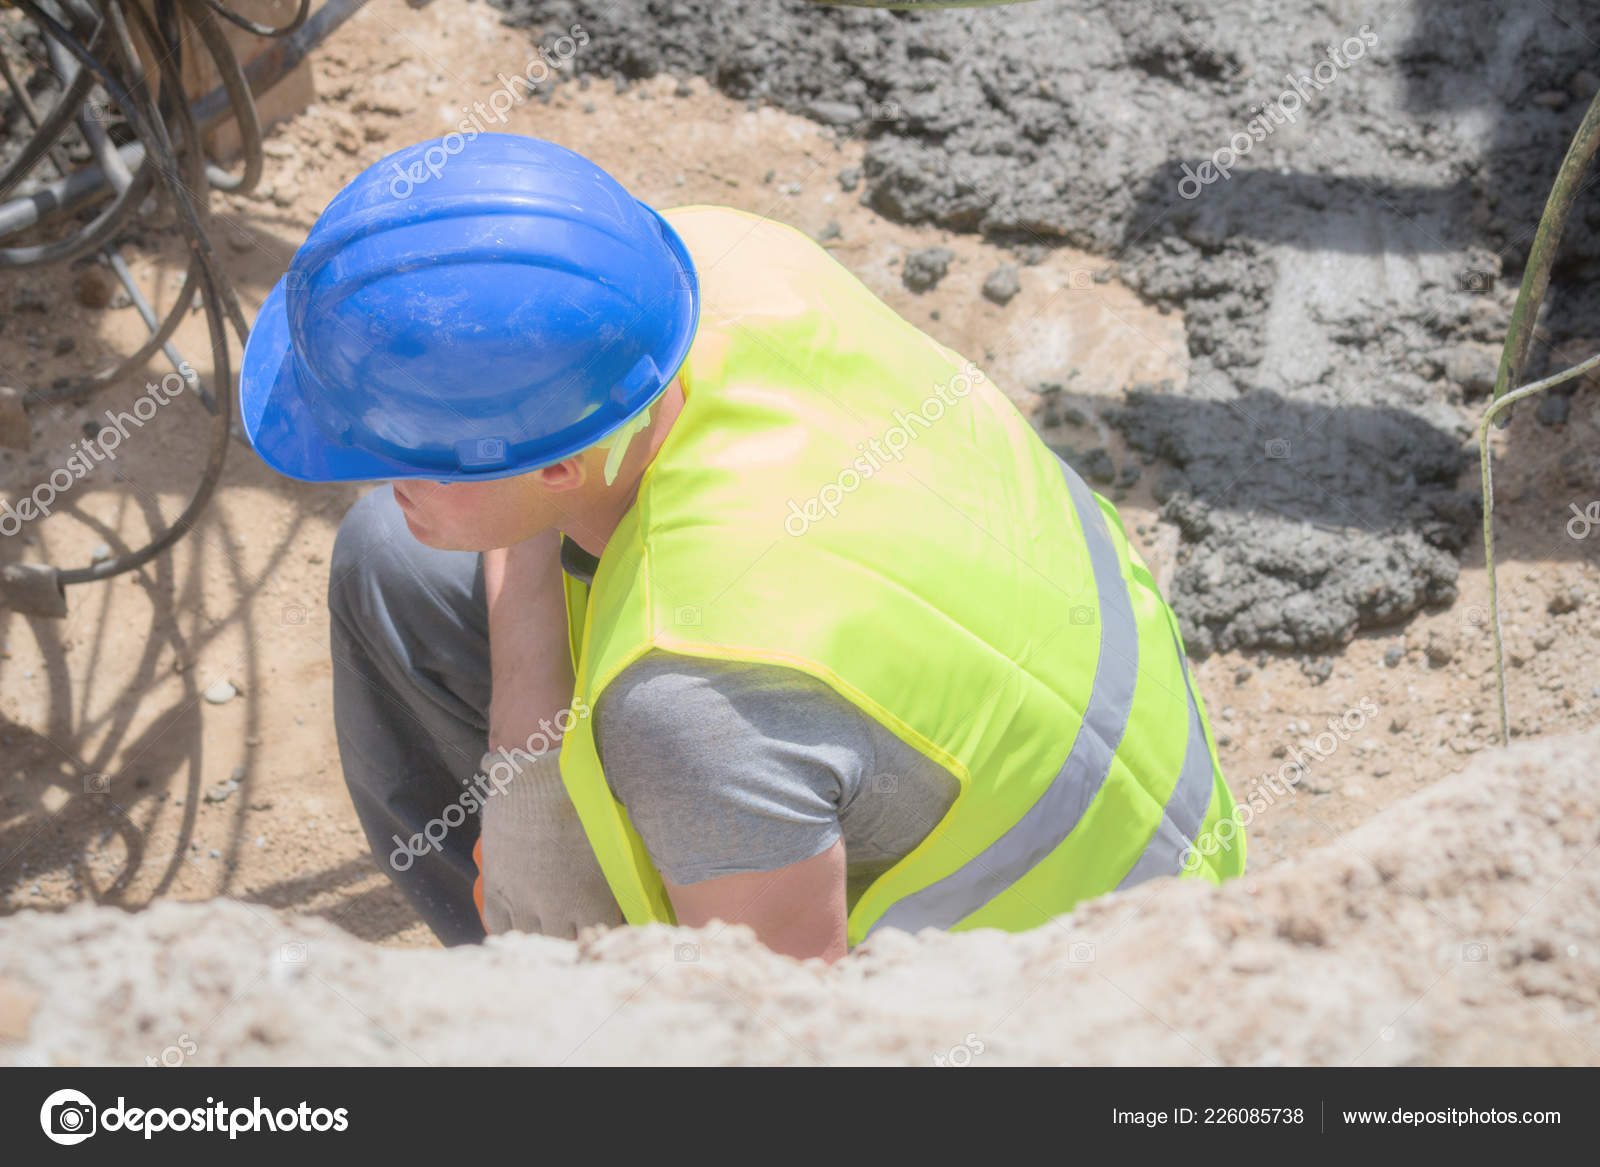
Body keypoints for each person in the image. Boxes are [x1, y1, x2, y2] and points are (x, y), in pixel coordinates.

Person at [238, 133, 1244, 963]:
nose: (381, 474)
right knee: (397, 558)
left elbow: (778, 1030)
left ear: (557, 468)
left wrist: (549, 914)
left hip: (1077, 987)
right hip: (1081, 760)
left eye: (409, 456)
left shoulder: (695, 704)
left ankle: (543, 1029)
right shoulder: (711, 263)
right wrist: (529, 752)